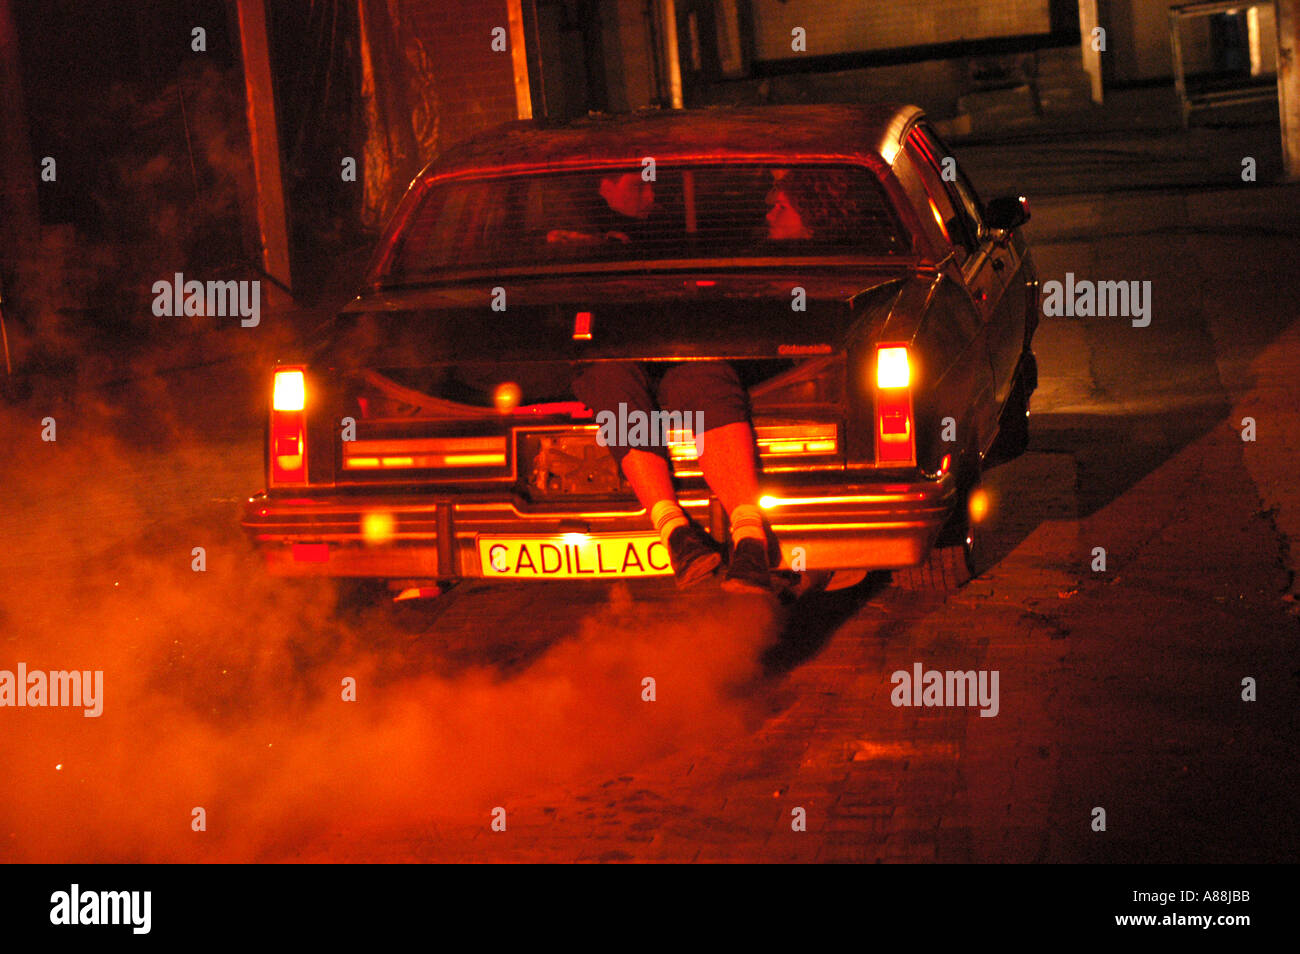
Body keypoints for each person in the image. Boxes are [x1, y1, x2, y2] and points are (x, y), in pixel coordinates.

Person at [568, 172, 821, 594]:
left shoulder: (679, 226)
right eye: (639, 186)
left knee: (702, 377)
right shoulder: (569, 229)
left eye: (782, 205)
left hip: (685, 346)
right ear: (602, 186)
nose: (652, 194)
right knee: (610, 383)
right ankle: (676, 534)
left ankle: (751, 540)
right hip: (619, 348)